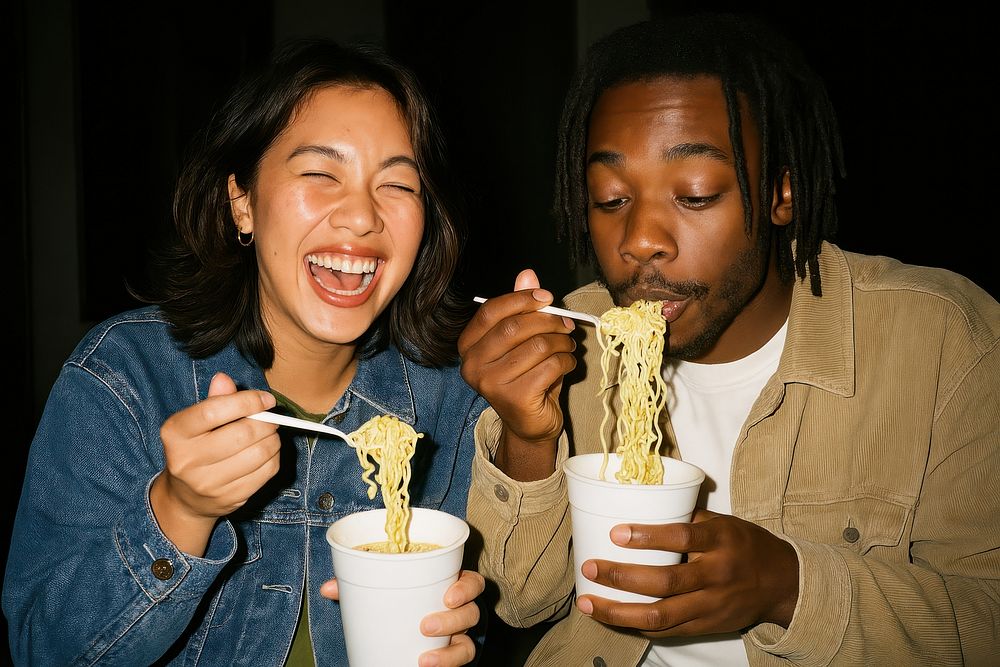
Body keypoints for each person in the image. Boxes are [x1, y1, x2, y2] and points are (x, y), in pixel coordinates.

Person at [459, 12, 999, 667]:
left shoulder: (943, 339)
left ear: (781, 191)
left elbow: (985, 616)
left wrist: (788, 587)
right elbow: (520, 601)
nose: (639, 240)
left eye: (693, 193)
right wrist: (527, 436)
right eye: (609, 198)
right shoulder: (576, 342)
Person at [3, 37, 488, 666]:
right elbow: (43, 651)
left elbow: (476, 620)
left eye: (398, 184)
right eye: (320, 173)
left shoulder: (450, 396)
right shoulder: (126, 375)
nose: (363, 217)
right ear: (243, 201)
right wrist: (179, 511)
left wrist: (456, 638)